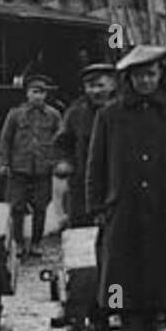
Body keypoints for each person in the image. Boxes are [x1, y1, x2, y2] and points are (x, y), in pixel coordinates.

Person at [87, 45, 166, 331]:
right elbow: (97, 163)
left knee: (159, 275)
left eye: (151, 74)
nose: (146, 81)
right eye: (139, 76)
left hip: (164, 208)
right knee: (124, 277)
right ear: (129, 79)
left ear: (160, 75)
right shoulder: (111, 115)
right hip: (124, 210)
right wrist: (97, 204)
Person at [0, 74, 62, 259]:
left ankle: (36, 243)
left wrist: (56, 162)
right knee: (17, 207)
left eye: (42, 93)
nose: (38, 97)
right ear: (27, 94)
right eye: (35, 92)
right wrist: (4, 163)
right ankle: (18, 243)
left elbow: (61, 141)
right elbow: (5, 140)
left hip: (43, 169)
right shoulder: (15, 115)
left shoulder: (53, 115)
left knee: (40, 207)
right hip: (19, 168)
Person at [53, 63, 117, 228]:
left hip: (117, 182)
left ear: (112, 85)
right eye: (90, 86)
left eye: (100, 85)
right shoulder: (76, 113)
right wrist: (63, 161)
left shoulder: (123, 111)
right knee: (82, 230)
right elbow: (63, 142)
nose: (95, 91)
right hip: (83, 184)